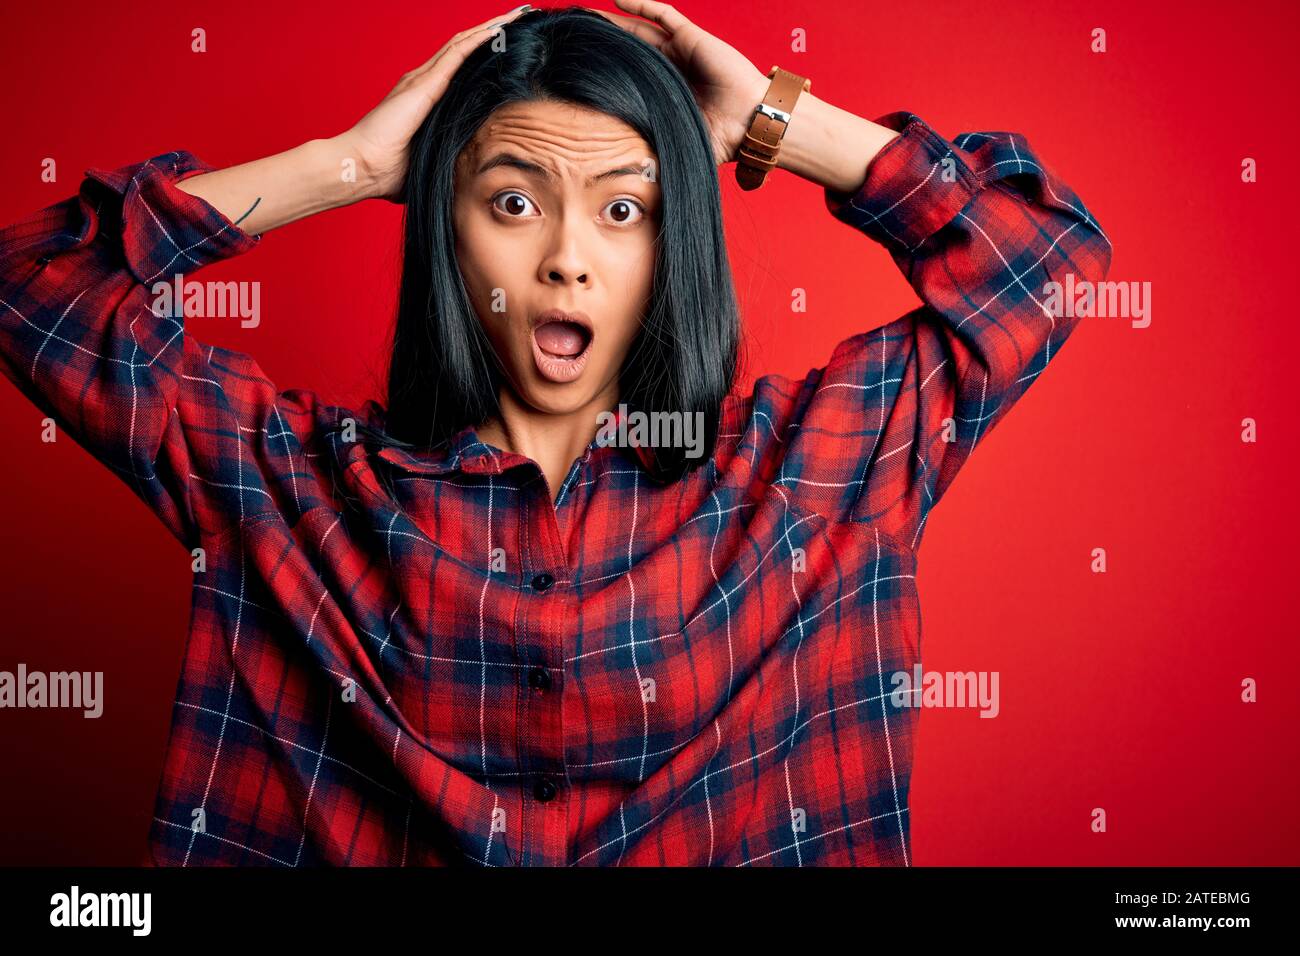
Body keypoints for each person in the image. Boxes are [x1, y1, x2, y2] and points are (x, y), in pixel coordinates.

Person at [0, 1, 1111, 866]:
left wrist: (774, 120)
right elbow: (27, 288)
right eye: (514, 202)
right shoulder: (288, 488)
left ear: (676, 243)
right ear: (450, 229)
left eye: (624, 208)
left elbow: (1049, 265)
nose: (567, 258)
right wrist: (353, 164)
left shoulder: (815, 469)